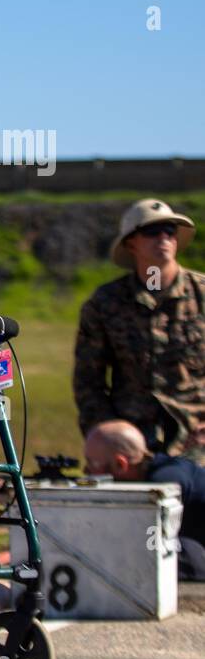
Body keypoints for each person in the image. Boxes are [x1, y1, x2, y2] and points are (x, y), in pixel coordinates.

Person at [73, 199, 205, 464]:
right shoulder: (105, 304)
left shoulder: (202, 294)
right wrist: (109, 437)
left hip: (198, 440)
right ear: (131, 243)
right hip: (133, 448)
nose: (164, 238)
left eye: (170, 230)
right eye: (152, 232)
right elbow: (89, 382)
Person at [83, 420, 205, 580]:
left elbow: (145, 541)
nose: (86, 472)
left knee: (144, 553)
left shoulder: (162, 485)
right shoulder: (158, 469)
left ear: (120, 464)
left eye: (92, 464)